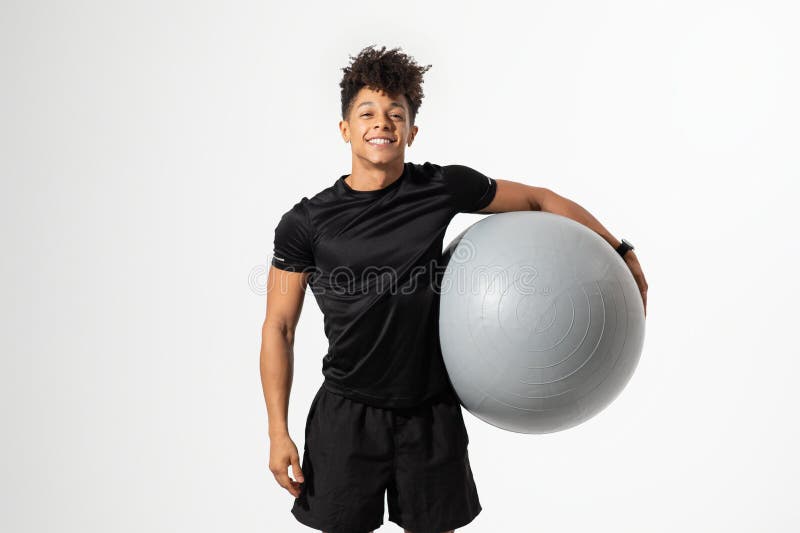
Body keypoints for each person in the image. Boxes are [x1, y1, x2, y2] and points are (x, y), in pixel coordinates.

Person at [260, 45, 648, 533]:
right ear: (345, 129)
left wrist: (621, 250)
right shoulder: (304, 223)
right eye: (367, 113)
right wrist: (278, 431)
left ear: (411, 130)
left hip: (430, 413)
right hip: (347, 412)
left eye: (395, 114)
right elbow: (279, 327)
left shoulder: (439, 188)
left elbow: (538, 199)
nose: (382, 123)